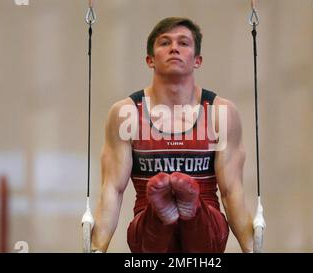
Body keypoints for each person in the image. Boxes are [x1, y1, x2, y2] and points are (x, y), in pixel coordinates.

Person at [91, 17, 253, 253]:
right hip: (148, 226)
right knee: (151, 230)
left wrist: (252, 249)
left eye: (183, 43)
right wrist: (96, 248)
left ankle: (191, 207)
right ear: (150, 60)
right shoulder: (126, 113)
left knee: (203, 226)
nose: (174, 48)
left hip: (206, 222)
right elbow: (112, 191)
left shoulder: (220, 111)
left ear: (197, 60)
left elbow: (231, 192)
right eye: (164, 42)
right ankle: (162, 211)